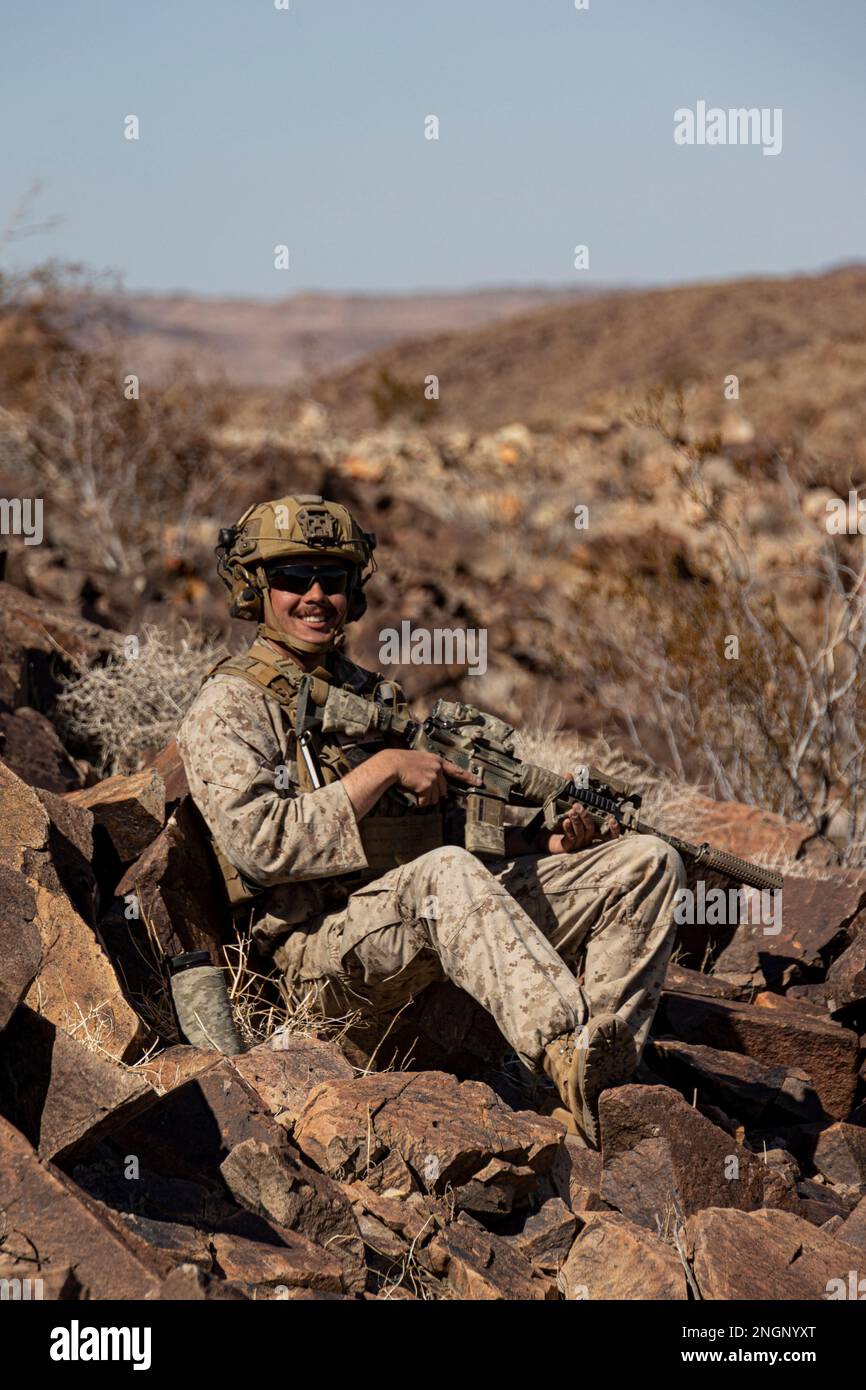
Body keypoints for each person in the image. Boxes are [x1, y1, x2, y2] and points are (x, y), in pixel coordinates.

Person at [177, 494, 684, 1147]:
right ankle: (561, 1048)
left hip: (412, 928)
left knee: (644, 864)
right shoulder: (230, 704)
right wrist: (384, 768)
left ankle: (602, 1084)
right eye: (291, 580)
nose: (314, 597)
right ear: (256, 589)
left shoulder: (363, 697)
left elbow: (433, 831)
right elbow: (261, 848)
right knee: (444, 877)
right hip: (314, 965)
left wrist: (543, 839)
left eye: (331, 580)